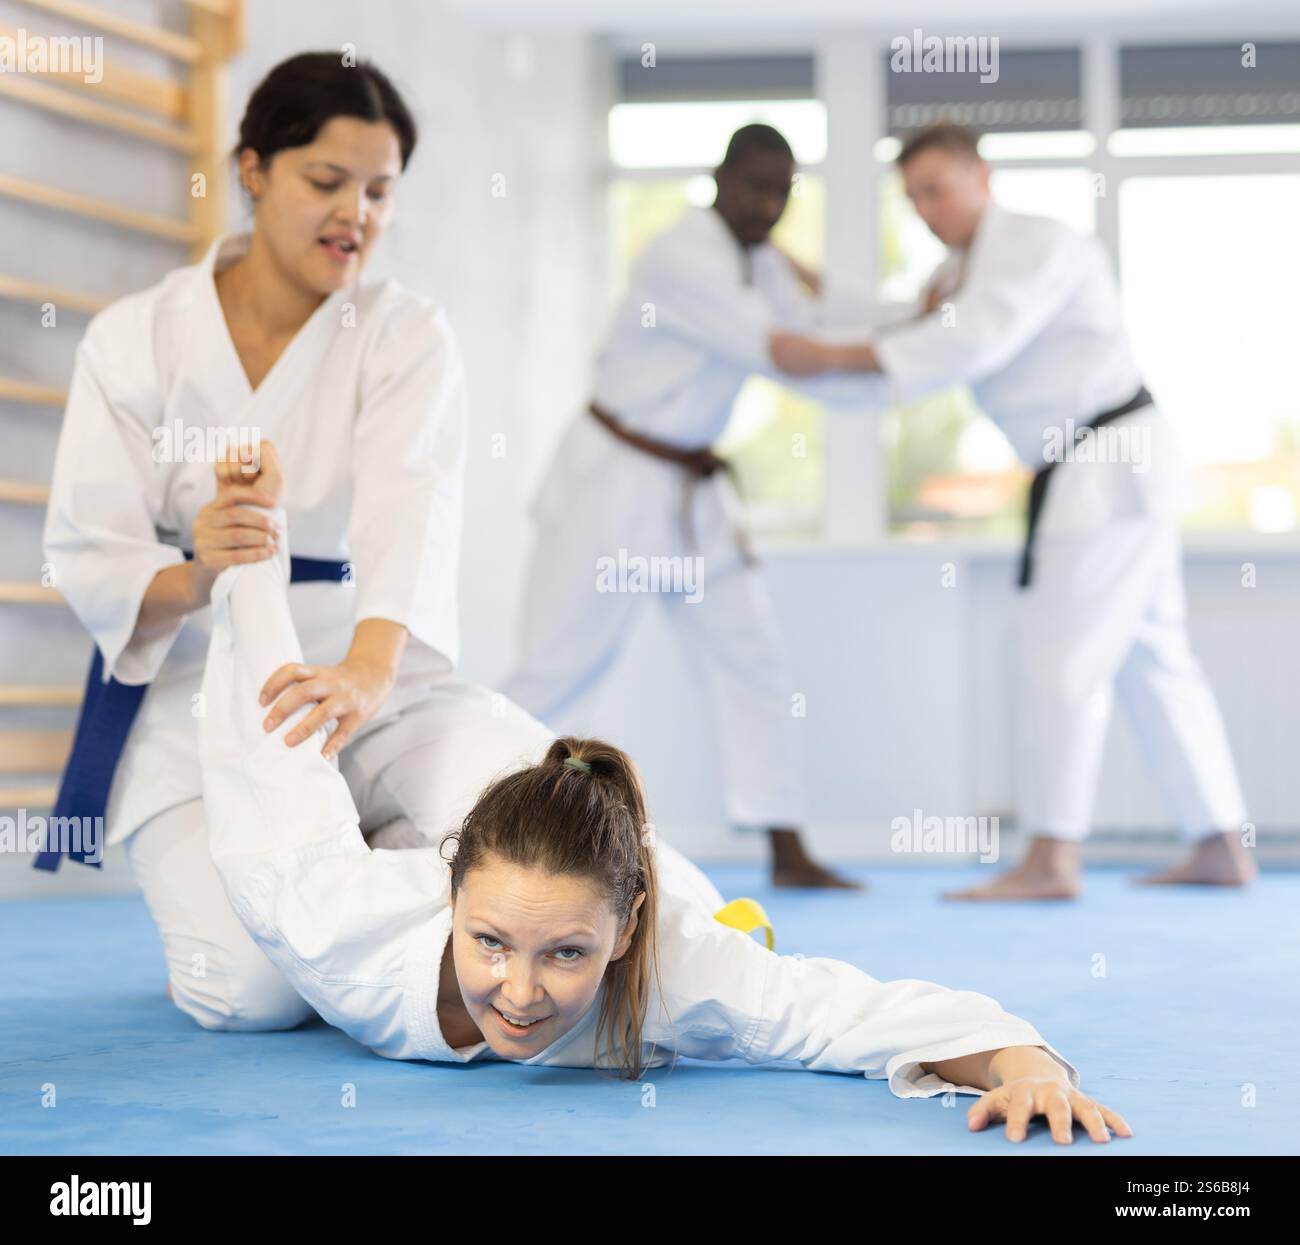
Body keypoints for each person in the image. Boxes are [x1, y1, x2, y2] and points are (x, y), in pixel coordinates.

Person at [199, 441, 1131, 1146]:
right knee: (235, 993)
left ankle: (647, 892)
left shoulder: (679, 971)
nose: (518, 992)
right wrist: (252, 547)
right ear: (449, 898)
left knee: (693, 909)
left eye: (567, 952)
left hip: (446, 733)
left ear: (628, 930)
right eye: (490, 941)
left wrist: (1024, 1064)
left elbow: (852, 1013)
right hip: (357, 721)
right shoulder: (329, 921)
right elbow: (266, 736)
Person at [38, 52, 547, 1030]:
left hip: (372, 662)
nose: (354, 213)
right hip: (200, 682)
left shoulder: (404, 333)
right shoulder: (135, 339)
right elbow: (86, 553)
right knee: (248, 993)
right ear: (252, 169)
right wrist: (201, 569)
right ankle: (378, 921)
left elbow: (413, 501)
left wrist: (365, 670)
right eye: (326, 181)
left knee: (541, 823)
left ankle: (386, 882)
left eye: (380, 191)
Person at [770, 122, 1253, 899]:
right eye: (914, 198)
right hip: (1102, 467)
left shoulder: (1035, 244)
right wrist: (806, 292)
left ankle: (1052, 856)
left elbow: (968, 342)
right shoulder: (962, 271)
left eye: (937, 189)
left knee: (1061, 660)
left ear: (980, 177)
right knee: (1153, 661)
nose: (926, 210)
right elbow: (904, 324)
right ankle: (1220, 844)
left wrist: (824, 356)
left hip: (1105, 461)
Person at [504, 123, 885, 890]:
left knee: (755, 657)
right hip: (612, 478)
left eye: (781, 192)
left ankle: (786, 844)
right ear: (720, 179)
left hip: (691, 488)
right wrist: (914, 358)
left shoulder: (762, 261)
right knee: (557, 669)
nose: (766, 204)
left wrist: (928, 315)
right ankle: (458, 823)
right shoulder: (684, 254)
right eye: (754, 186)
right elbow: (787, 351)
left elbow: (832, 313)